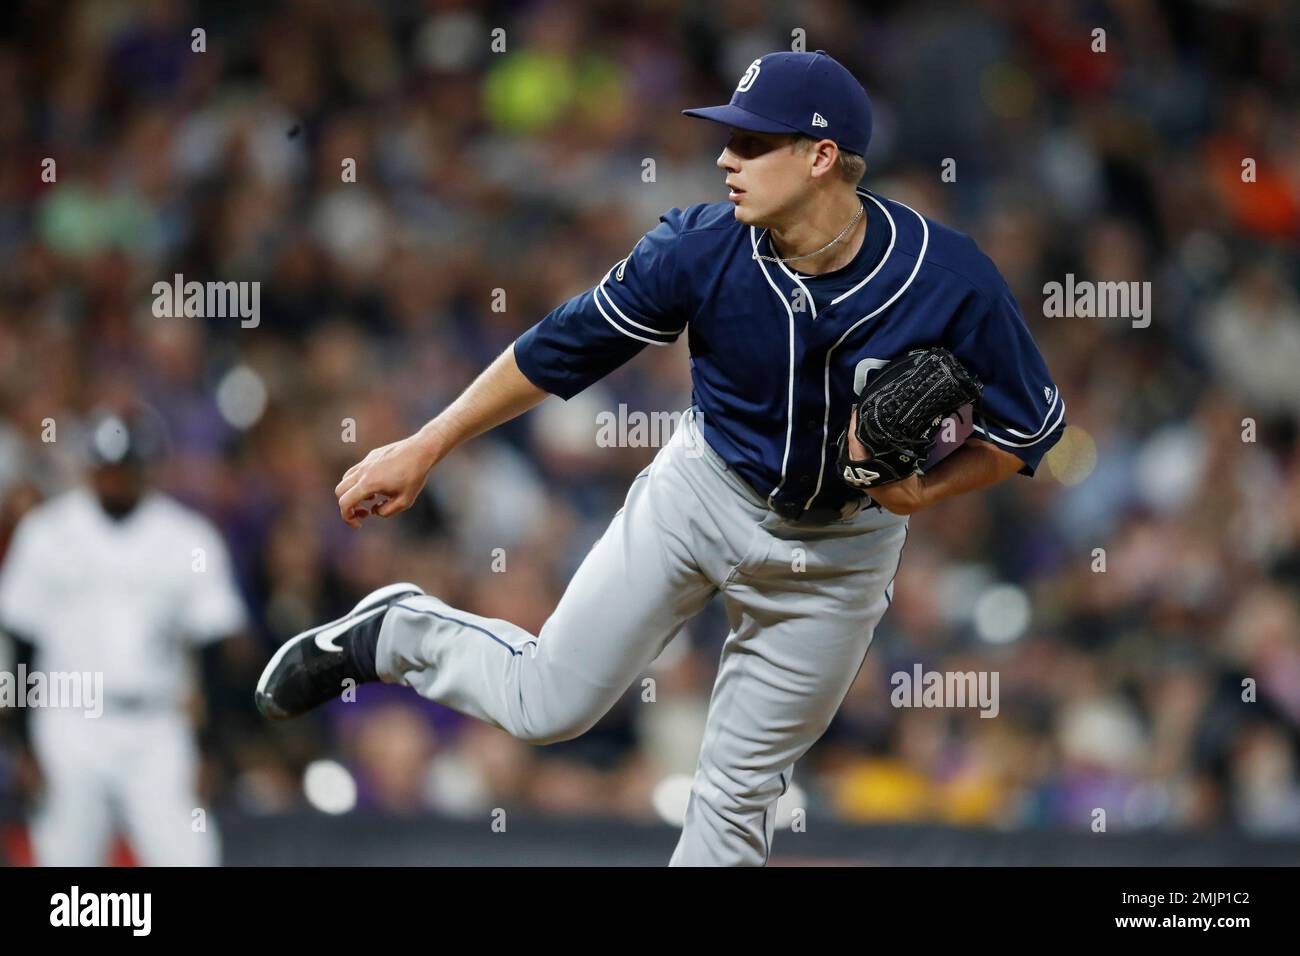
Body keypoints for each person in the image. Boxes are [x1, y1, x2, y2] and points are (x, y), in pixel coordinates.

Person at [256, 50, 1066, 866]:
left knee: (737, 799)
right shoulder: (699, 248)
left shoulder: (949, 278)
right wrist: (429, 442)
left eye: (752, 144)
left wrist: (926, 493)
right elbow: (559, 347)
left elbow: (1027, 433)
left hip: (841, 552)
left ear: (822, 158)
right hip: (703, 490)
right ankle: (394, 633)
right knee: (547, 705)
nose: (725, 158)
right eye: (728, 141)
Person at [0, 406, 249, 865]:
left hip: (157, 724)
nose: (114, 478)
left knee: (190, 857)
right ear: (90, 467)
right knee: (64, 868)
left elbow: (213, 645)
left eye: (125, 467)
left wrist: (212, 745)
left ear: (146, 468)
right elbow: (20, 643)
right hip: (67, 723)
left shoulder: (187, 538)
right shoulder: (46, 533)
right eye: (106, 467)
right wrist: (22, 742)